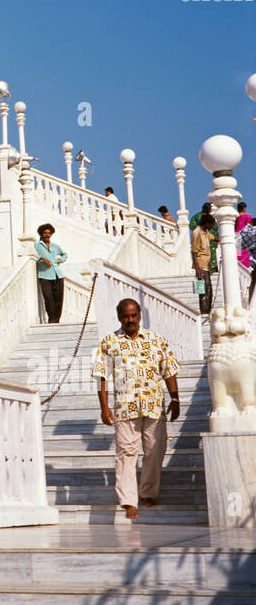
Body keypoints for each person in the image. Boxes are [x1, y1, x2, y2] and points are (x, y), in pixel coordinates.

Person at [92, 298, 180, 521]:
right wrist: (104, 408)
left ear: (139, 315)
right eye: (125, 316)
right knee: (126, 454)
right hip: (125, 408)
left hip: (154, 407)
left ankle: (148, 492)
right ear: (119, 317)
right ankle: (129, 501)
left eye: (133, 315)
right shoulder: (109, 342)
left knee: (155, 450)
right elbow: (102, 377)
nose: (130, 320)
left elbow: (169, 370)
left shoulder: (156, 340)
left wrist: (175, 399)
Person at [34, 222, 67, 324]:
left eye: (49, 233)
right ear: (41, 234)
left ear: (51, 234)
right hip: (44, 275)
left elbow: (64, 254)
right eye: (45, 233)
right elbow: (33, 254)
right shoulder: (36, 245)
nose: (47, 235)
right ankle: (52, 319)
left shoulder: (55, 246)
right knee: (48, 298)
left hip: (58, 275)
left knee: (59, 299)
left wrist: (59, 261)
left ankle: (56, 320)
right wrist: (42, 259)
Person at [191, 213, 218, 315]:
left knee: (209, 288)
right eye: (211, 224)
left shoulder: (205, 232)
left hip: (206, 265)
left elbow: (213, 238)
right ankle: (204, 312)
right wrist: (197, 269)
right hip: (200, 265)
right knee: (203, 289)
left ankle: (208, 310)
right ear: (207, 223)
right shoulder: (197, 233)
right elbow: (194, 251)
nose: (211, 227)